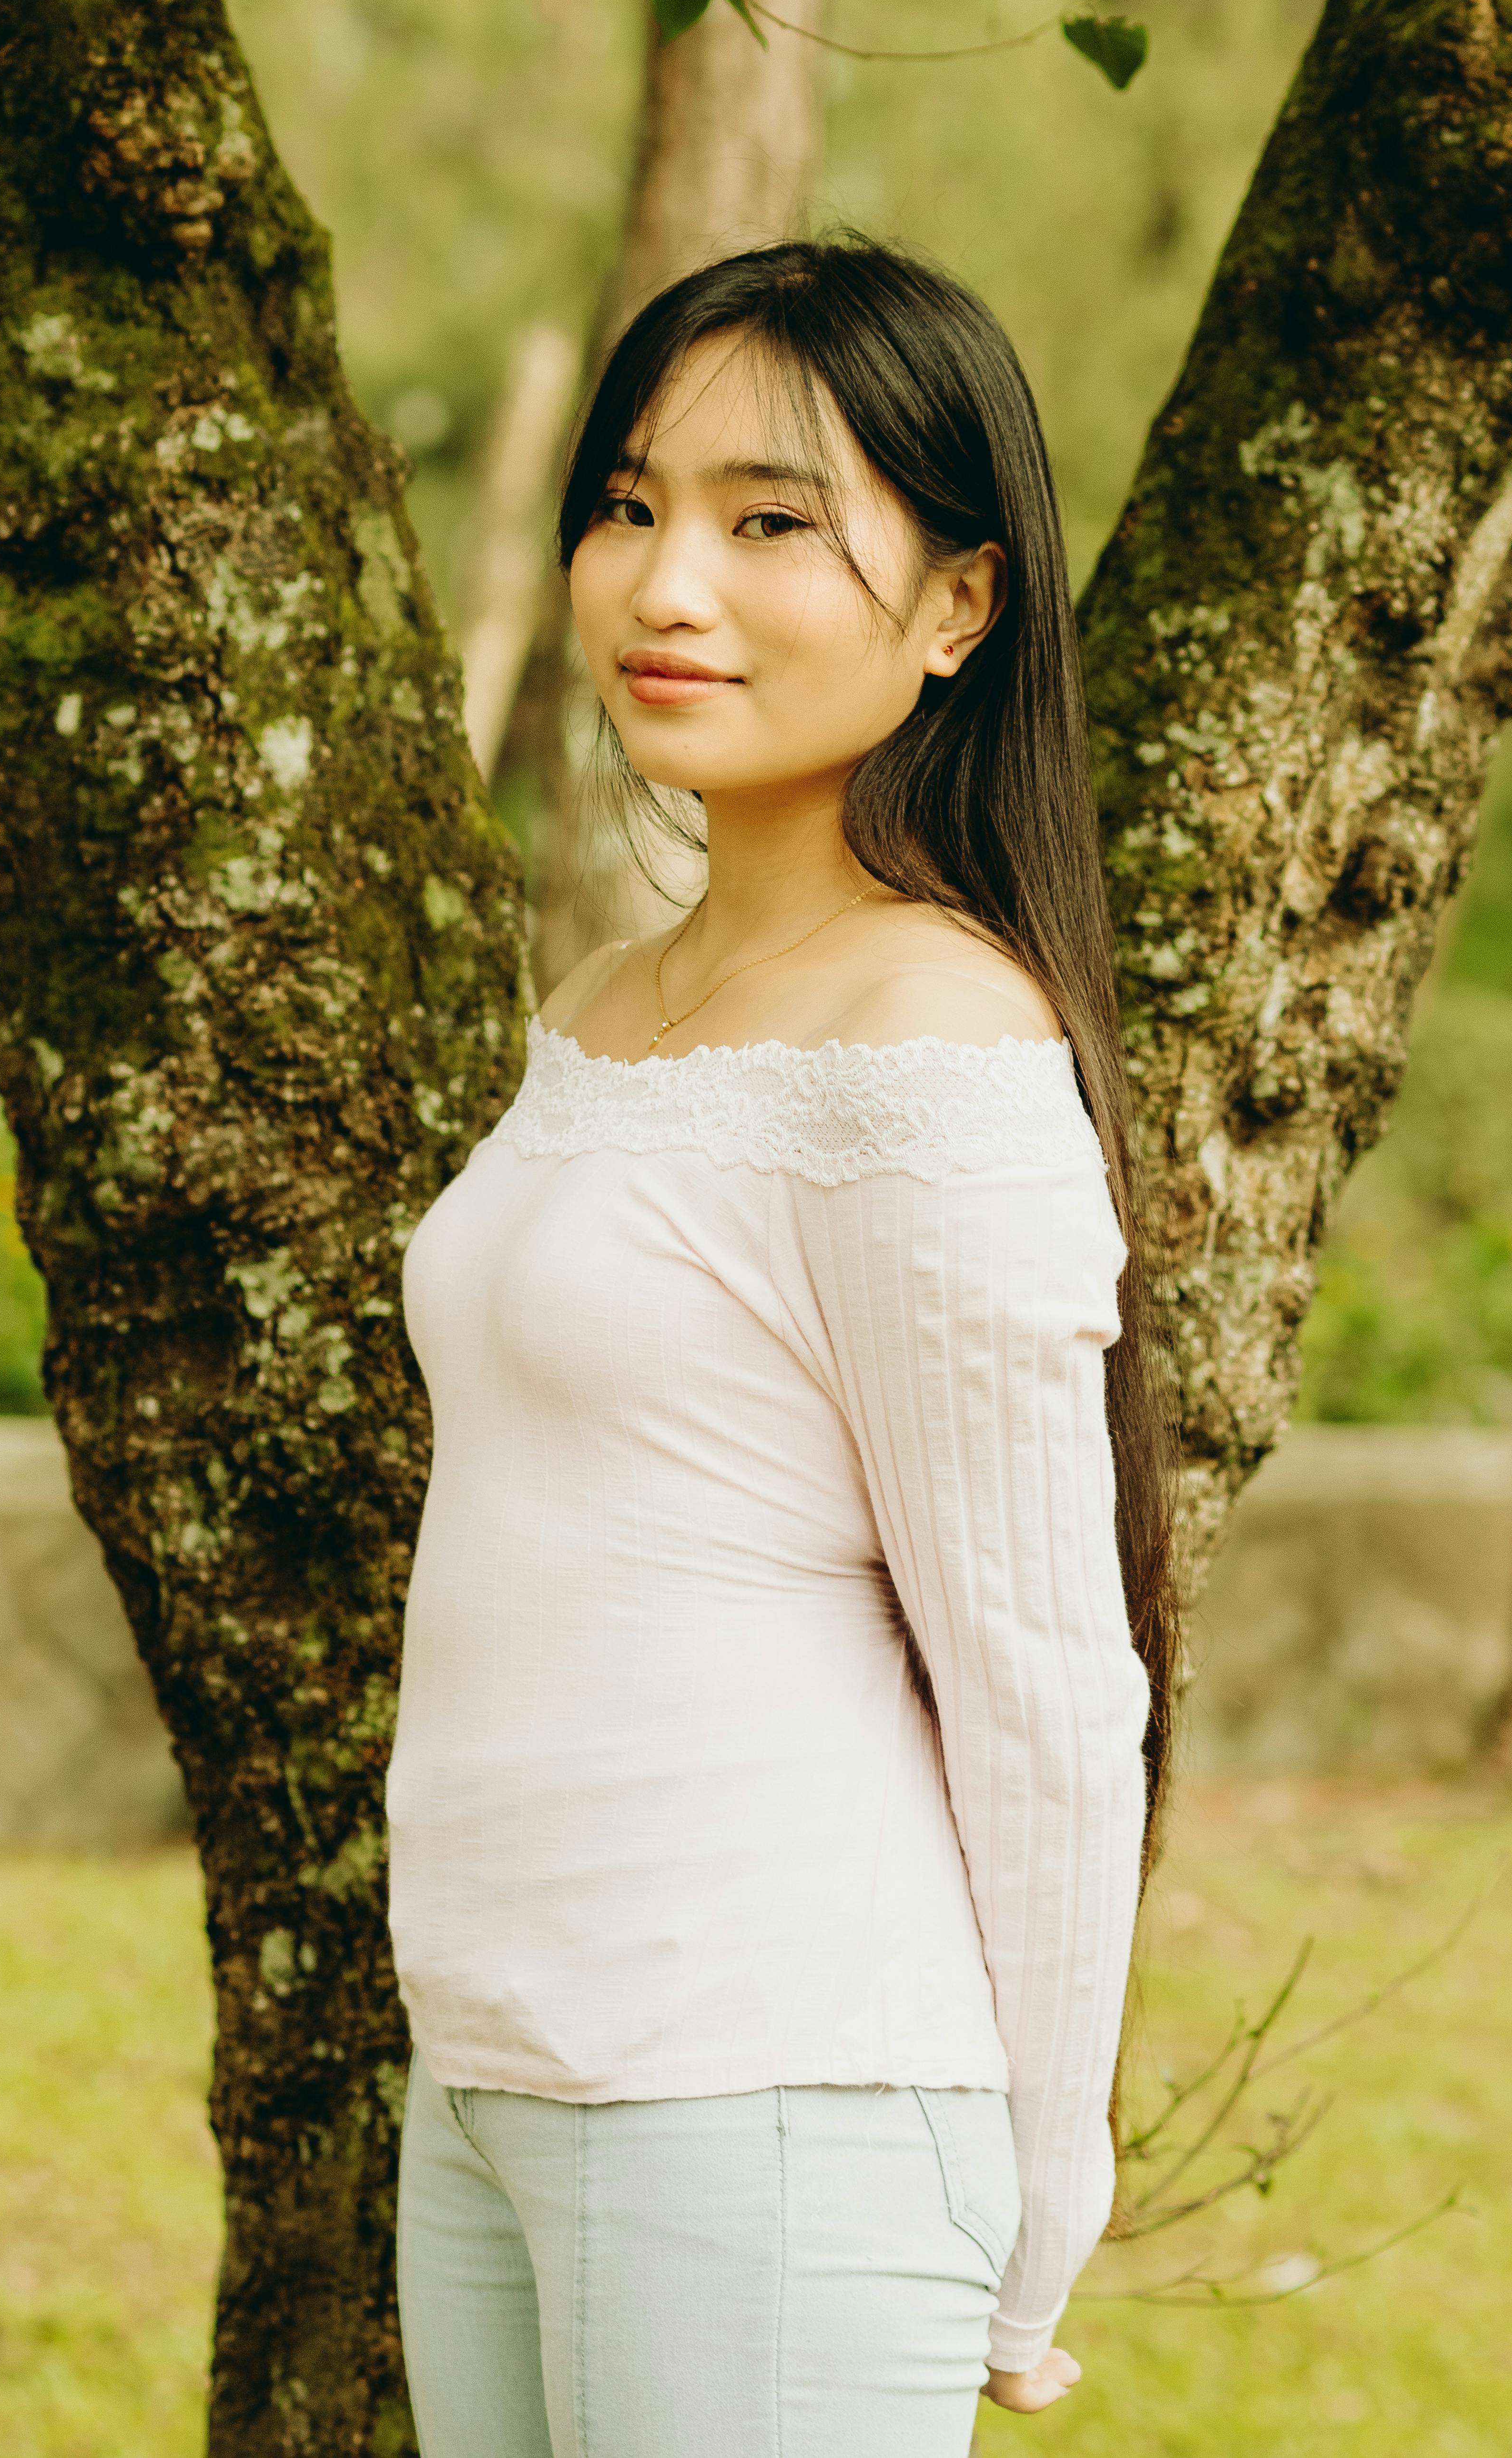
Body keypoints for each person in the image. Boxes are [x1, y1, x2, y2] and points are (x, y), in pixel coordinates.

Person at [386, 237, 1177, 2458]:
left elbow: (1040, 1676)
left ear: (955, 607)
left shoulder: (926, 1042)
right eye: (630, 502)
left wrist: (1045, 2186)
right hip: (495, 2065)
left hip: (765, 2098)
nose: (666, 583)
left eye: (767, 521)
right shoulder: (605, 1006)